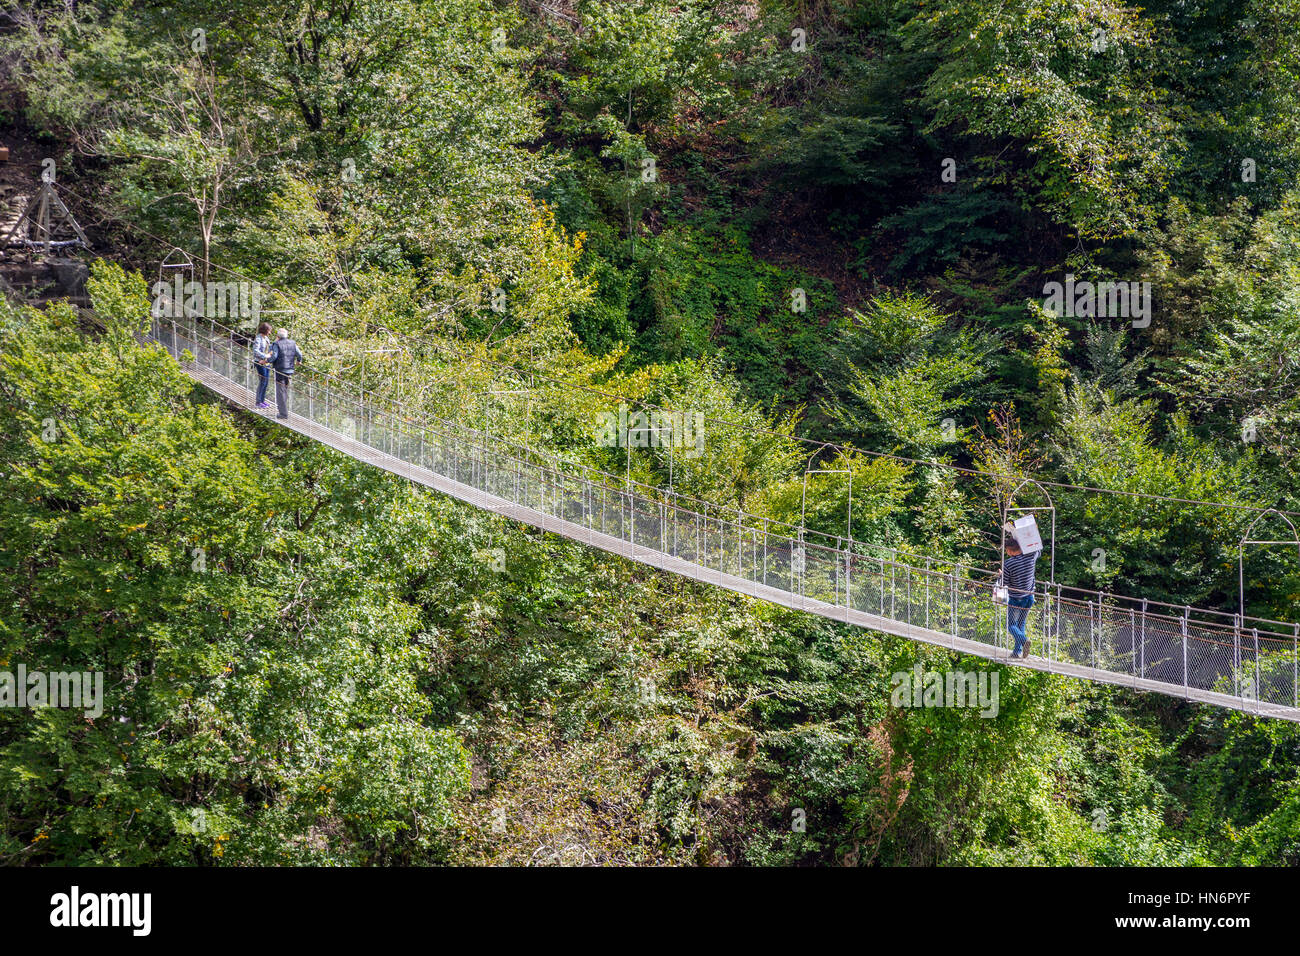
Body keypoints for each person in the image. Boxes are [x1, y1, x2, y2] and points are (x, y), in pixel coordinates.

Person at [1001, 522, 1040, 659]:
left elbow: (1004, 583)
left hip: (1015, 598)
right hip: (1029, 597)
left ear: (1010, 550)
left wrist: (1001, 574)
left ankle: (1023, 641)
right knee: (1020, 624)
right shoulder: (1031, 557)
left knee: (1011, 625)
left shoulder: (1008, 564)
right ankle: (1017, 652)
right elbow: (1037, 548)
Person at [269, 327, 303, 420]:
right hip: (290, 370)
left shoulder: (277, 343)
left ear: (278, 336)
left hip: (280, 370)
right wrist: (299, 361)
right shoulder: (292, 343)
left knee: (280, 392)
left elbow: (274, 356)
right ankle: (284, 411)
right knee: (285, 390)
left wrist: (267, 360)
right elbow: (299, 354)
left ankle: (283, 414)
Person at [251, 322, 273, 409]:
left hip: (266, 363)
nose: (270, 332)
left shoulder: (266, 338)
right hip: (259, 362)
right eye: (269, 330)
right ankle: (258, 401)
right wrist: (264, 356)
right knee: (263, 381)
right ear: (265, 330)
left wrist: (269, 356)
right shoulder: (258, 338)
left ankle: (262, 401)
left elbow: (269, 349)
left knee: (266, 382)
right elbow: (255, 351)